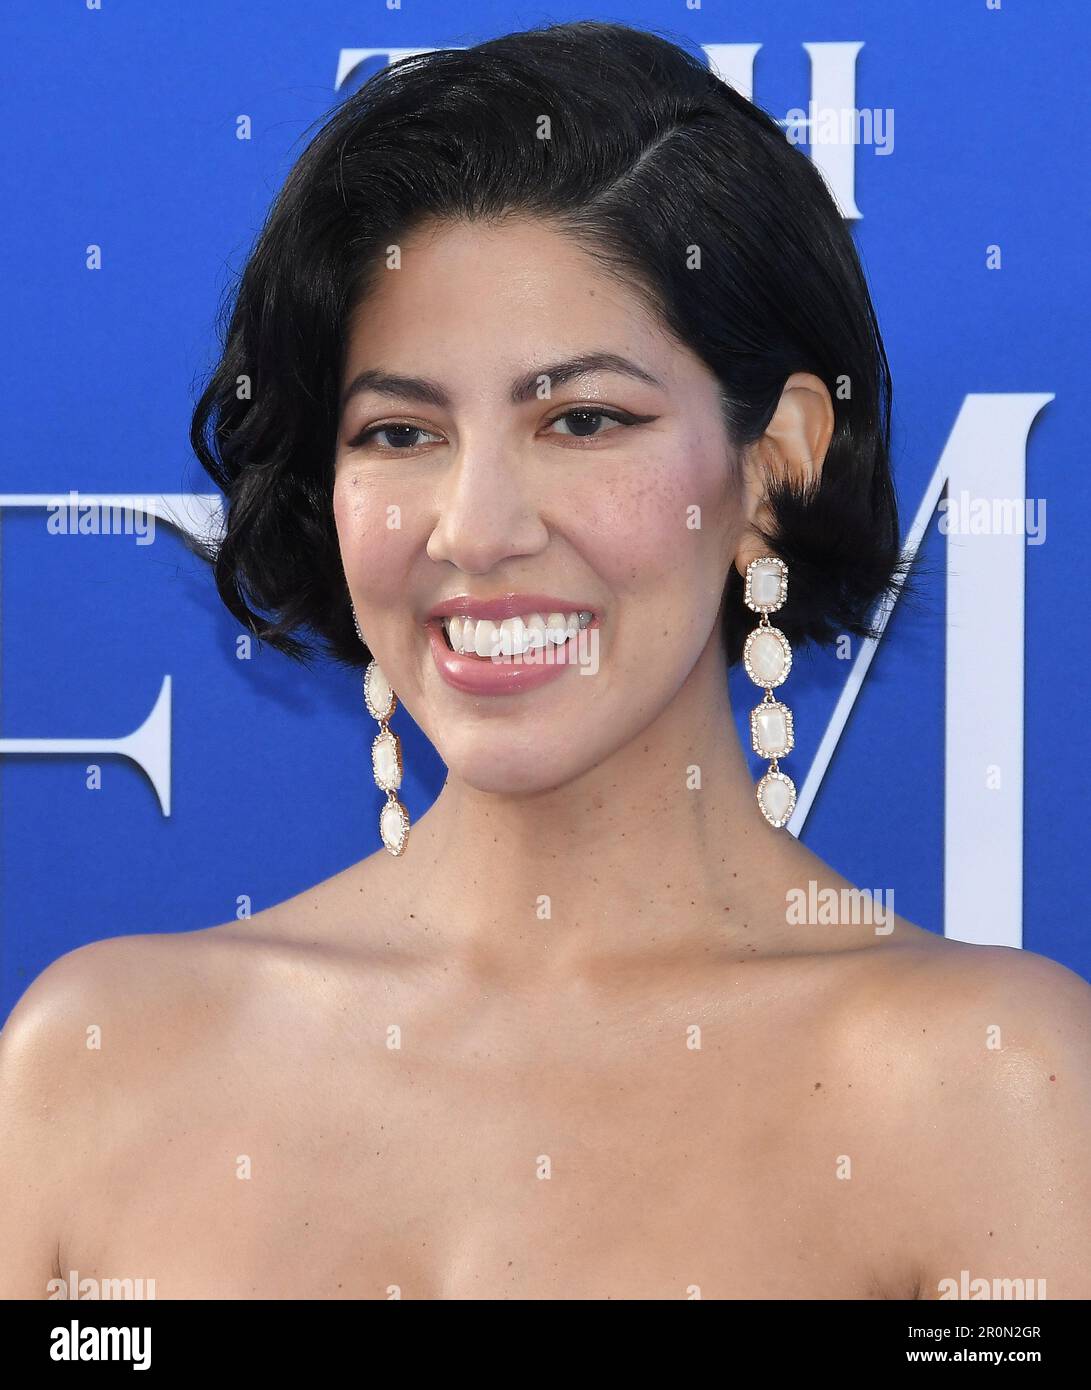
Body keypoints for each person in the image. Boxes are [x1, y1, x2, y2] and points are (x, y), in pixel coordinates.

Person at [2, 20, 1088, 1301]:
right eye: (399, 431)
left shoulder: (989, 1090)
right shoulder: (95, 1062)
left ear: (774, 460)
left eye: (581, 419)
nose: (474, 530)